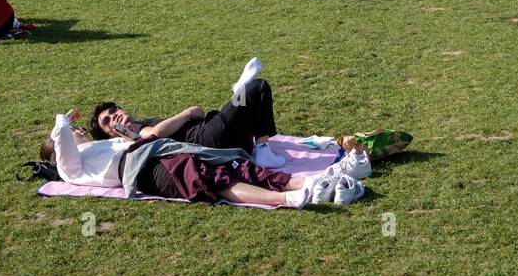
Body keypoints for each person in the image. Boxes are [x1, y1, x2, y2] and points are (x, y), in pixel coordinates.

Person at [41, 87, 362, 208]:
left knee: (237, 167)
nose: (78, 132)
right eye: (75, 132)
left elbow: (151, 137)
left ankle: (320, 181)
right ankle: (288, 198)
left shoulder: (107, 143)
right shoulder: (74, 165)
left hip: (167, 151)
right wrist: (62, 125)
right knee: (212, 179)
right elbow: (66, 156)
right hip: (146, 166)